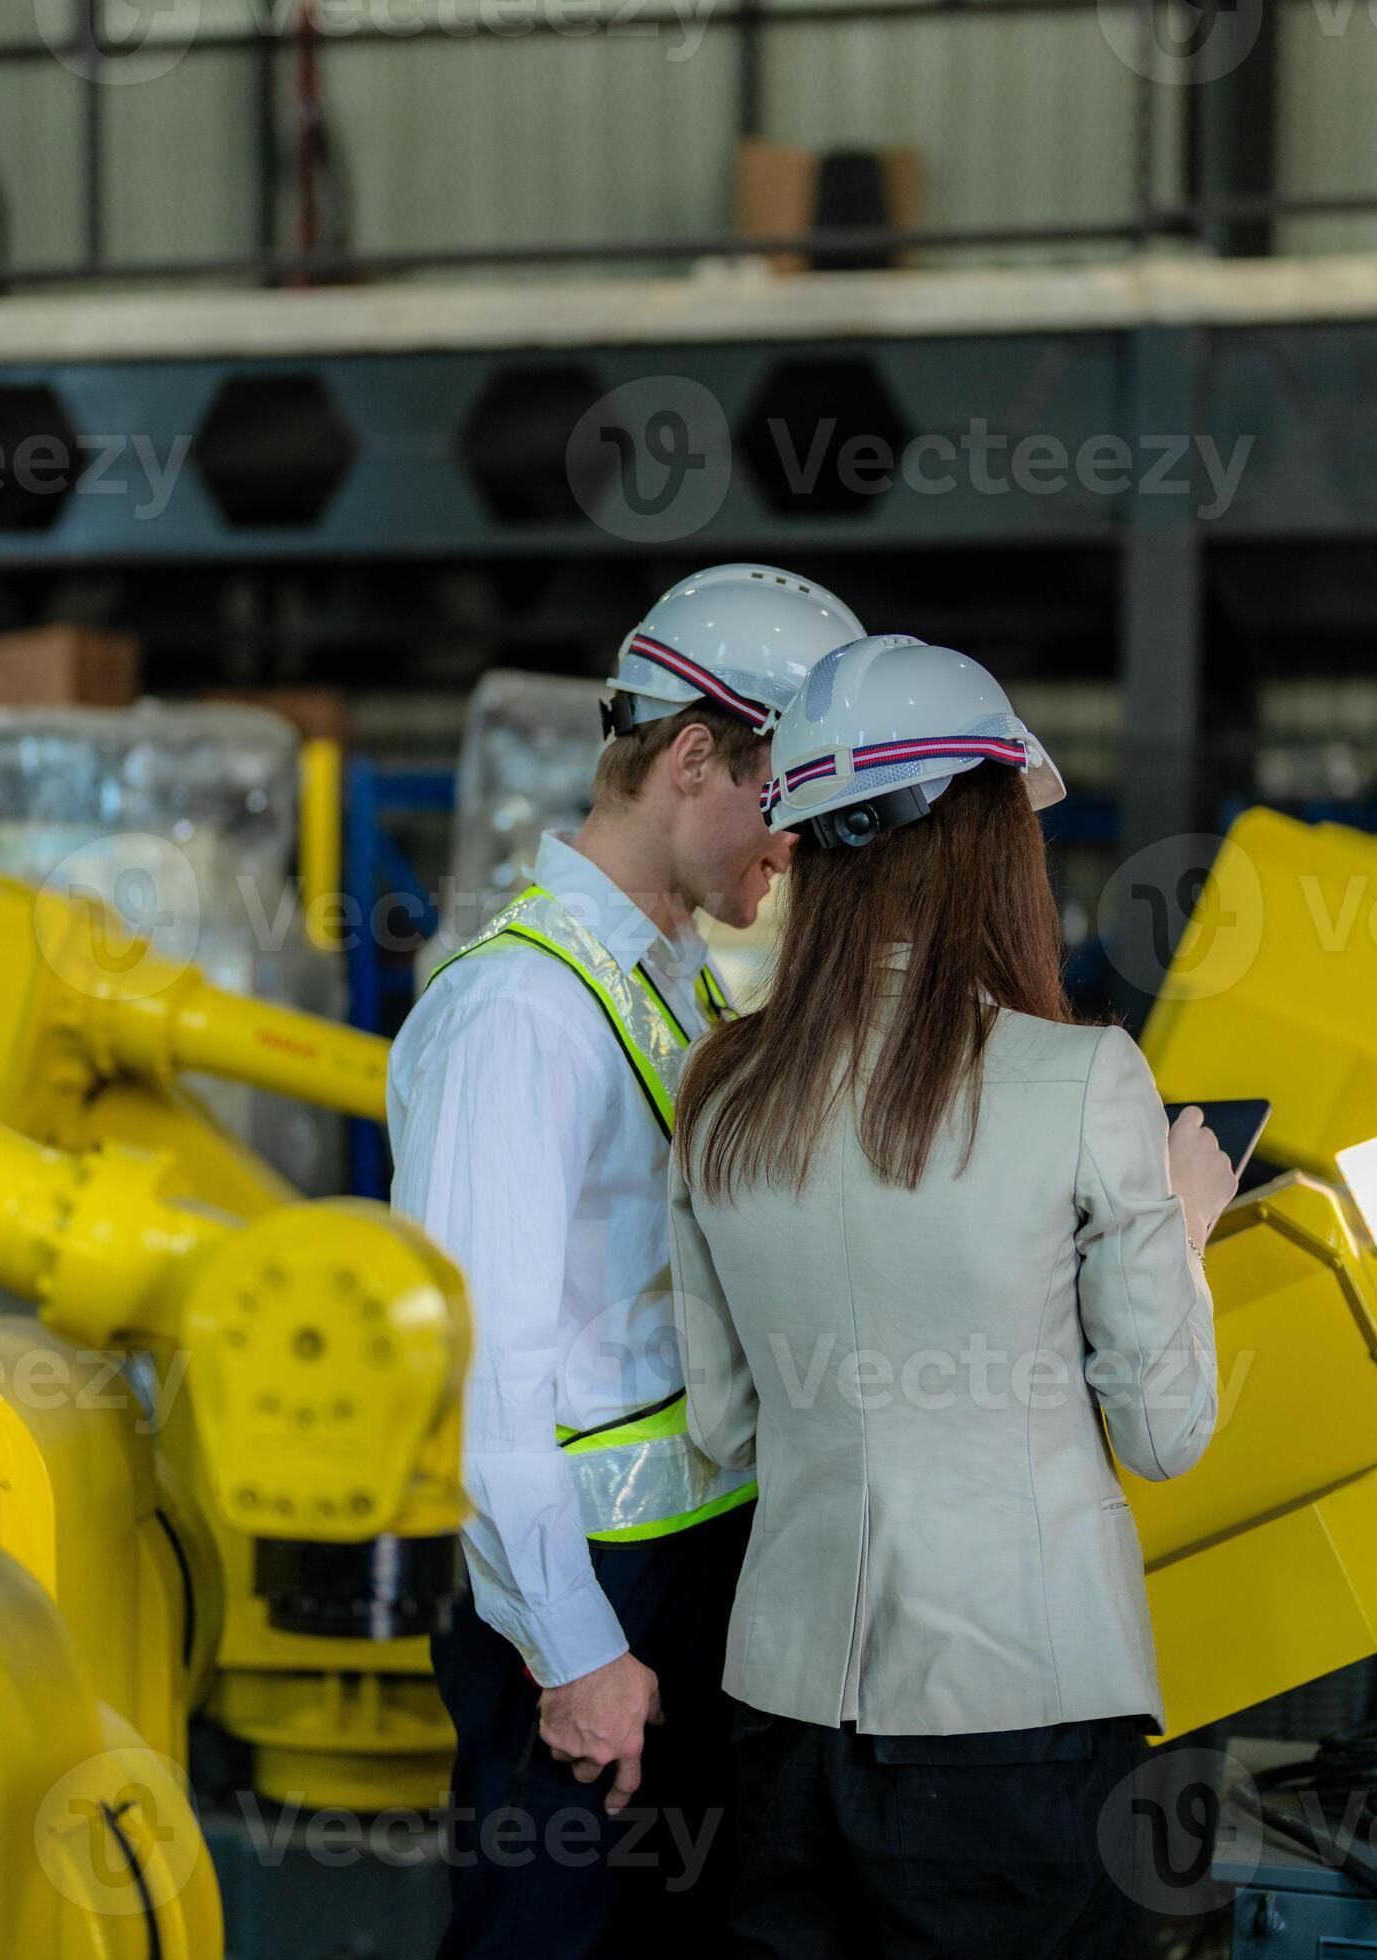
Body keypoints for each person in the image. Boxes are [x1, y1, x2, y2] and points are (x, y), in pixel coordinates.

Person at [667, 634, 1241, 1959]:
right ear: (994, 843)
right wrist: (1185, 1222)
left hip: (784, 1710)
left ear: (807, 838)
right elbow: (1166, 1433)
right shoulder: (1083, 1081)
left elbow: (727, 1428)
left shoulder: (721, 1094)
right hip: (1012, 1722)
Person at [388, 564, 866, 1958]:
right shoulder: (517, 1015)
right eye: (785, 809)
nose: (792, 853)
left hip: (680, 1578)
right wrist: (576, 1647)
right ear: (697, 758)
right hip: (583, 1605)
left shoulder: (677, 984)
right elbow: (483, 1373)